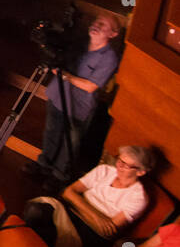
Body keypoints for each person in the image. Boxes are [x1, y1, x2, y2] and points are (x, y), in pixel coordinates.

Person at [23, 14, 121, 187]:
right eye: (96, 21)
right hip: (57, 96)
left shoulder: (109, 58)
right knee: (51, 133)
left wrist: (66, 76)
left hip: (79, 106)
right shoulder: (80, 42)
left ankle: (59, 175)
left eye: (103, 25)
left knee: (70, 142)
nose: (96, 25)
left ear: (113, 34)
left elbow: (91, 86)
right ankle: (44, 165)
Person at [22, 145, 154, 247]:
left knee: (49, 232)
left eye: (126, 165)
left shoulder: (139, 197)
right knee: (37, 210)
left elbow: (107, 230)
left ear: (141, 172)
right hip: (70, 211)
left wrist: (77, 203)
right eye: (120, 160)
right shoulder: (104, 170)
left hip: (89, 232)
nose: (119, 166)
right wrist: (97, 217)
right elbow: (68, 192)